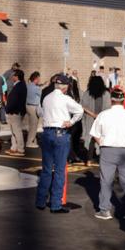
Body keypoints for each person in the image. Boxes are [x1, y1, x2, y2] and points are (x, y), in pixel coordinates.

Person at [35, 74, 84, 213]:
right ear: (65, 86)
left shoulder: (47, 97)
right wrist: (71, 122)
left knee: (46, 169)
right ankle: (56, 204)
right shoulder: (65, 98)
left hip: (46, 133)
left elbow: (40, 112)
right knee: (60, 170)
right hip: (60, 133)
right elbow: (79, 110)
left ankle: (40, 201)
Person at [90, 87, 125, 220]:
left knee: (106, 180)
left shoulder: (103, 115)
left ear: (111, 100)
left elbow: (95, 134)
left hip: (108, 149)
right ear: (123, 100)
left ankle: (104, 210)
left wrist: (101, 142)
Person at [80, 73, 111, 165]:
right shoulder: (106, 94)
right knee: (101, 137)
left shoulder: (87, 93)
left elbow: (82, 106)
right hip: (102, 119)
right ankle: (102, 158)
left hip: (90, 118)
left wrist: (93, 114)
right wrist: (99, 116)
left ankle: (89, 159)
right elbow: (108, 108)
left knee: (90, 139)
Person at [5, 69, 28, 156]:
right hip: (14, 111)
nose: (12, 77)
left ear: (17, 77)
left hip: (15, 112)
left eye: (14, 75)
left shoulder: (20, 86)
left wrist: (8, 109)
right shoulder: (19, 85)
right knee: (13, 131)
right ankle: (14, 148)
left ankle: (20, 149)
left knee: (17, 131)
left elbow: (15, 101)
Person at [26, 72, 42, 148]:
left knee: (31, 125)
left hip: (27, 106)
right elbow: (42, 95)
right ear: (36, 79)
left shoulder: (28, 86)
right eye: (39, 78)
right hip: (34, 107)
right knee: (34, 126)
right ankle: (29, 142)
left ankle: (33, 140)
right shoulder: (36, 88)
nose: (39, 80)